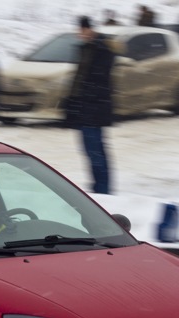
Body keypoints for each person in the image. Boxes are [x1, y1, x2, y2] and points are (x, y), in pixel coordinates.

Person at [63, 16, 116, 194]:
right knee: (89, 150)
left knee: (96, 151)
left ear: (90, 30)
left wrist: (87, 97)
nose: (81, 34)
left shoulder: (102, 49)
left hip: (94, 109)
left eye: (83, 30)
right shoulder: (85, 49)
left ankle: (103, 188)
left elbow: (99, 80)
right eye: (79, 31)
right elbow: (80, 79)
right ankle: (98, 185)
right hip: (86, 109)